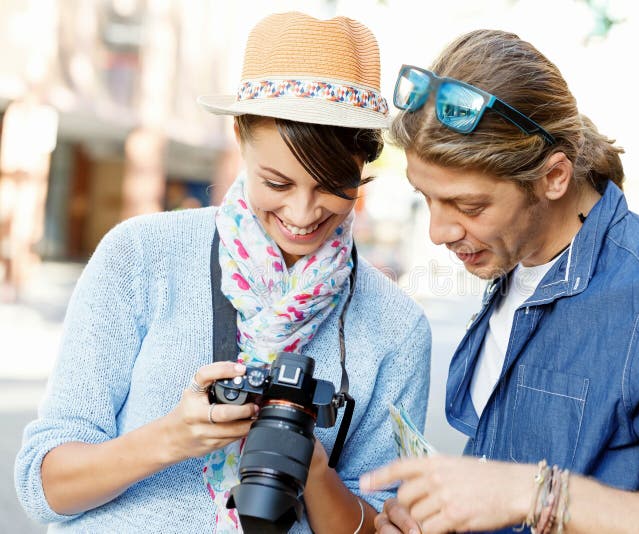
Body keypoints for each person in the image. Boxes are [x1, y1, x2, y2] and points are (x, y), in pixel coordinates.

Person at [15, 12, 431, 533]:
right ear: (239, 136)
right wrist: (173, 437)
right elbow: (44, 487)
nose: (302, 215)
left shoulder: (396, 326)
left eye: (332, 186)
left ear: (364, 162)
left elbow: (382, 524)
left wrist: (311, 466)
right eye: (277, 183)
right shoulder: (142, 255)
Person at [360, 29, 639, 533]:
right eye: (426, 197)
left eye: (469, 206)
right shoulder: (515, 262)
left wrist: (533, 493)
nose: (437, 232)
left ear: (555, 177)